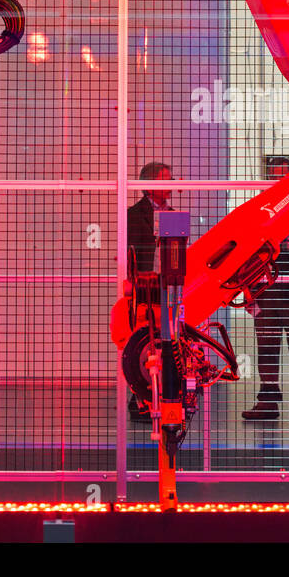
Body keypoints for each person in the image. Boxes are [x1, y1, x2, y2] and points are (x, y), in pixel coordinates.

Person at [242, 157, 289, 425]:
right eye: (273, 176)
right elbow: (245, 252)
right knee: (267, 349)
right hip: (265, 292)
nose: (277, 181)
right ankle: (268, 401)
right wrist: (248, 291)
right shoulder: (257, 210)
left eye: (282, 176)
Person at [124, 160, 174, 421]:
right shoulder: (134, 215)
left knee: (169, 338)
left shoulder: (174, 214)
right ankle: (142, 398)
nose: (171, 187)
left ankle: (167, 394)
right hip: (144, 287)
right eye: (166, 181)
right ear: (150, 185)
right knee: (144, 340)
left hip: (169, 287)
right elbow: (130, 253)